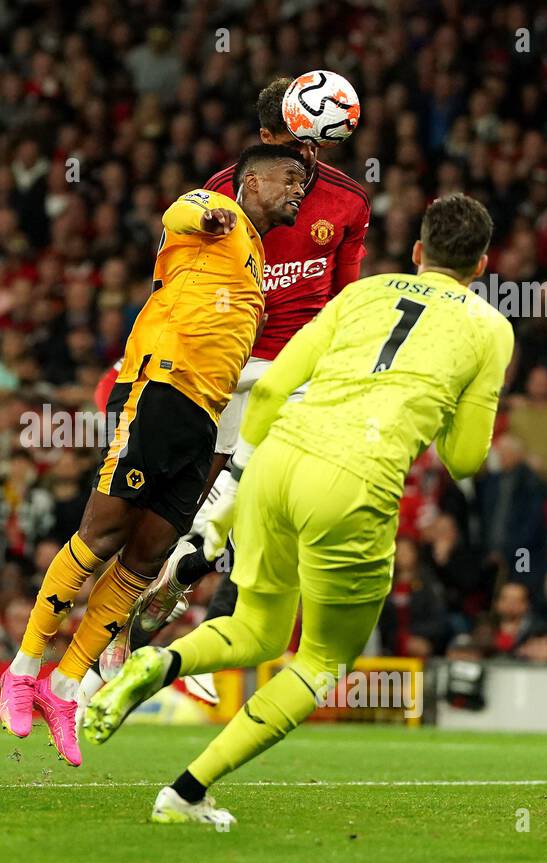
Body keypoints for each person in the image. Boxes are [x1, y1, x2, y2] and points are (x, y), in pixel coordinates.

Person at [85, 194, 513, 824]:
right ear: (481, 266)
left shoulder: (360, 294)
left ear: (418, 252)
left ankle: (161, 659)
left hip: (277, 460)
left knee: (254, 630)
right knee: (320, 660)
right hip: (354, 482)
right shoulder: (490, 328)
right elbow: (467, 459)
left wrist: (235, 484)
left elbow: (277, 386)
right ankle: (185, 793)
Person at [0, 142, 309, 767]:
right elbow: (179, 210)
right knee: (104, 531)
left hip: (204, 418)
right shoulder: (215, 219)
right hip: (157, 391)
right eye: (288, 176)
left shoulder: (255, 270)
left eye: (304, 181)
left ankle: (64, 686)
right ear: (250, 182)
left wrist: (296, 377)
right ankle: (23, 666)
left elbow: (232, 366)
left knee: (147, 556)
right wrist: (209, 215)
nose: (298, 189)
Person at [104, 72, 371, 694]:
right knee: (187, 505)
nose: (303, 158)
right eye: (288, 142)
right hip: (222, 366)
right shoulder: (218, 198)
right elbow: (177, 286)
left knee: (266, 502)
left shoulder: (349, 202)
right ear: (263, 139)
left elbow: (345, 296)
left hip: (296, 367)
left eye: (312, 145)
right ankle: (121, 634)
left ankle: (207, 633)